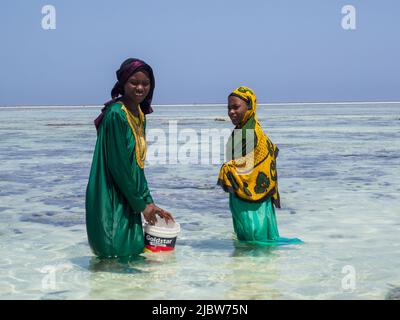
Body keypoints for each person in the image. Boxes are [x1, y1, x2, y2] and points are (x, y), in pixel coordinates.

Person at [86, 58, 174, 258]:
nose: (140, 88)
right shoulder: (116, 115)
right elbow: (118, 167)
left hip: (129, 199)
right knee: (113, 258)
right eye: (134, 82)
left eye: (146, 83)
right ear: (123, 83)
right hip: (110, 198)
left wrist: (149, 203)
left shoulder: (139, 115)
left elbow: (137, 166)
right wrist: (141, 205)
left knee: (131, 260)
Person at [217, 86, 301, 245]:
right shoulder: (243, 129)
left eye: (236, 107)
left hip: (253, 204)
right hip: (245, 197)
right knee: (253, 246)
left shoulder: (251, 132)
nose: (231, 112)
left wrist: (228, 169)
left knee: (255, 245)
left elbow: (250, 166)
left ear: (249, 106)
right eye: (229, 108)